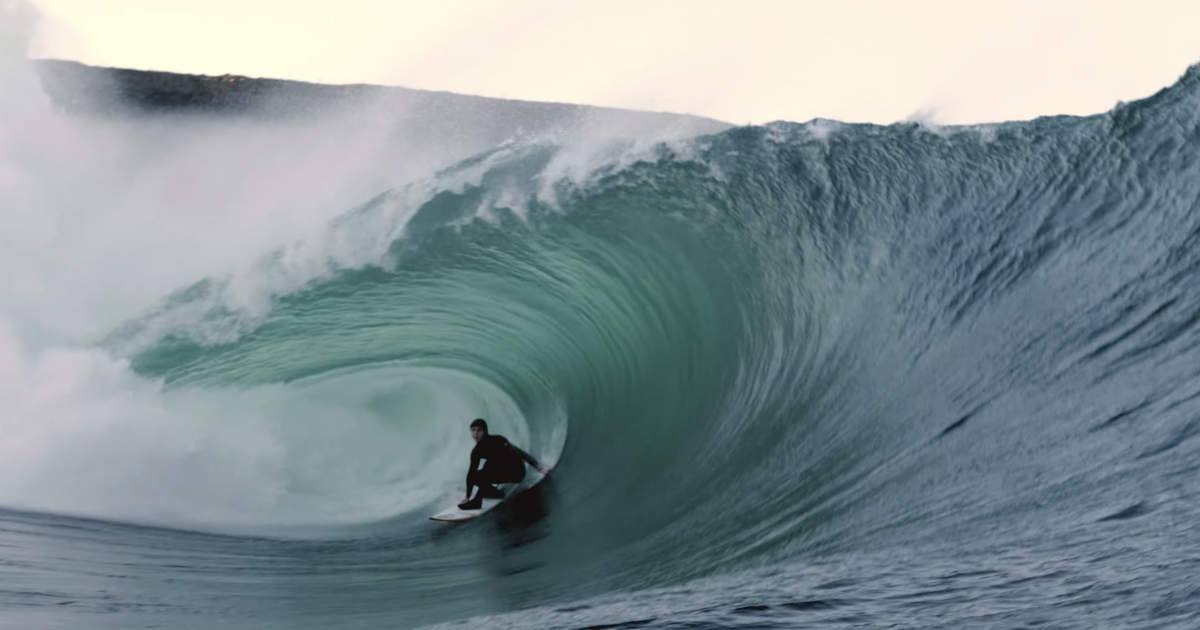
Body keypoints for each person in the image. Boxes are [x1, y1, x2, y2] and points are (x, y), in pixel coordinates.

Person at [458, 418, 551, 510]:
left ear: (484, 431)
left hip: (517, 471)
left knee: (488, 467)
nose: (475, 434)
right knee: (475, 475)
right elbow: (471, 473)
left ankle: (477, 502)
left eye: (479, 430)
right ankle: (496, 494)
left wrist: (539, 468)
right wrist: (467, 496)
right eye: (473, 430)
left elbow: (520, 453)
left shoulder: (498, 440)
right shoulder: (476, 452)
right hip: (500, 471)